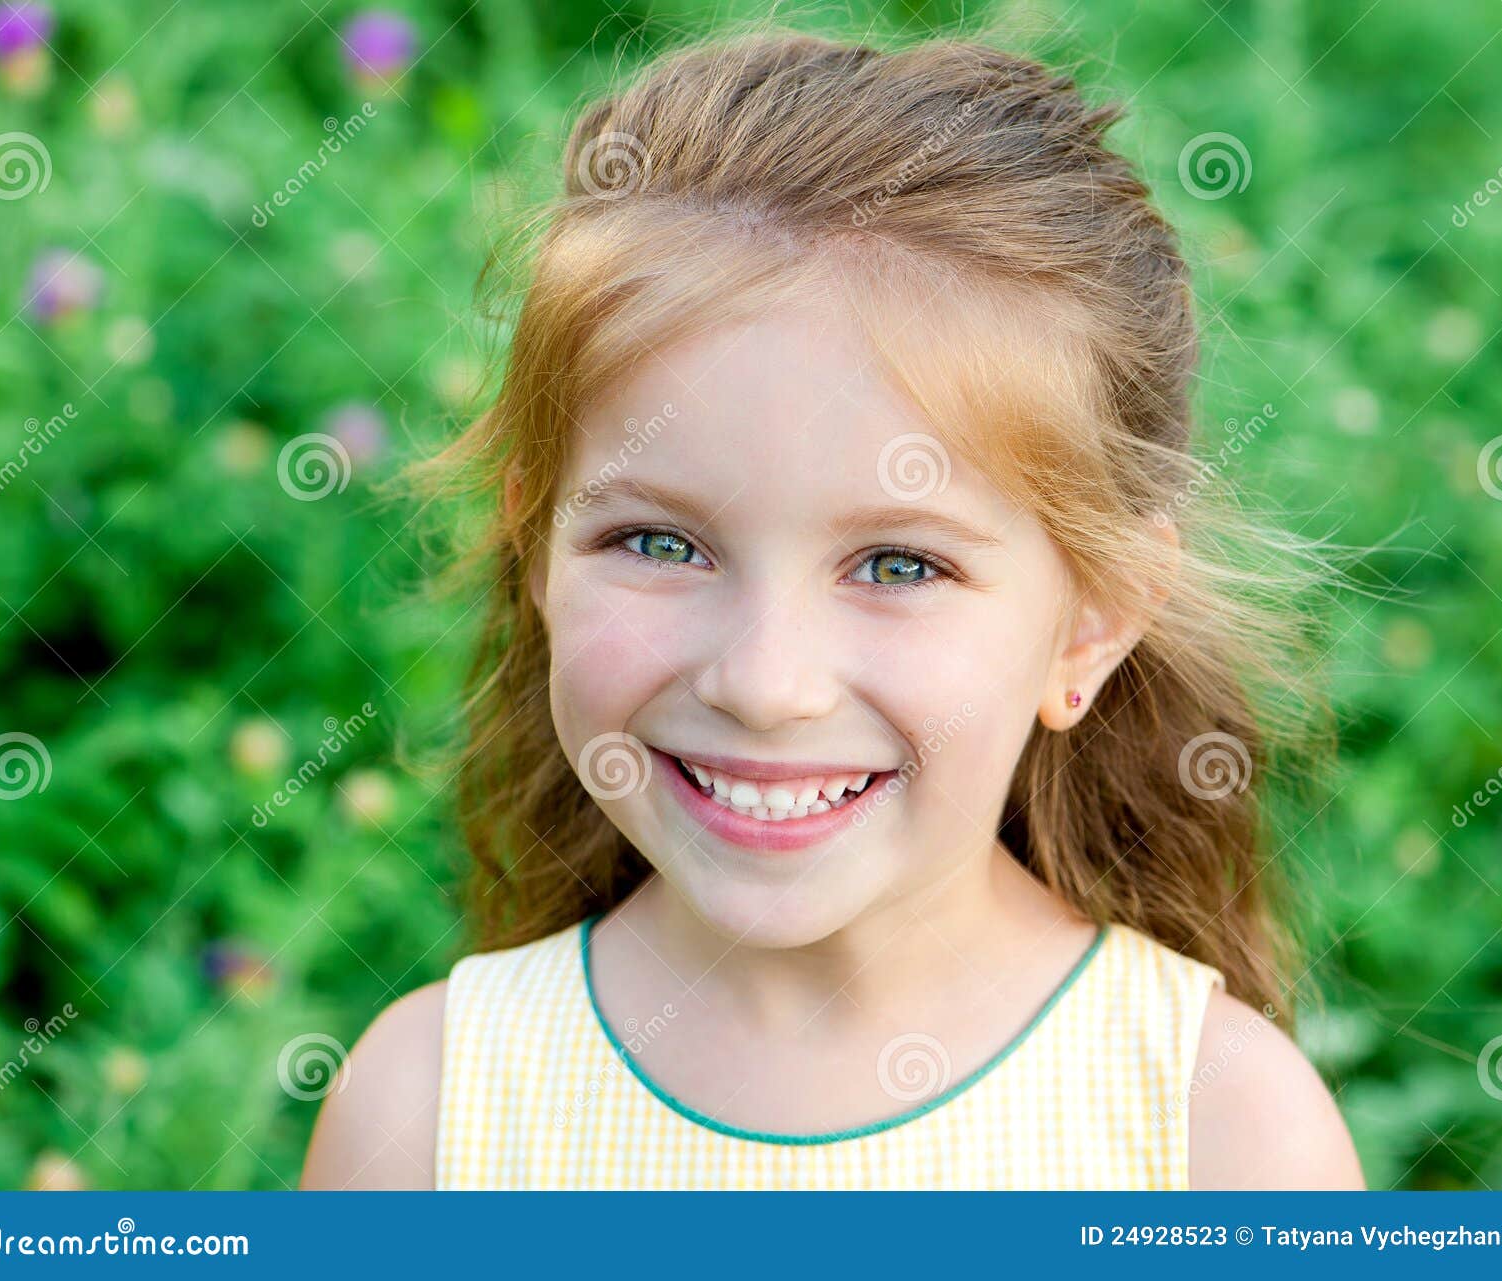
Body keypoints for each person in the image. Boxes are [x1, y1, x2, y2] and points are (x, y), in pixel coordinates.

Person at [302, 25, 1365, 1191]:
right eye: (658, 543)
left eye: (900, 567)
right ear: (538, 549)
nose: (764, 684)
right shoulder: (430, 1107)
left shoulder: (1216, 1131)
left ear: (1092, 621)